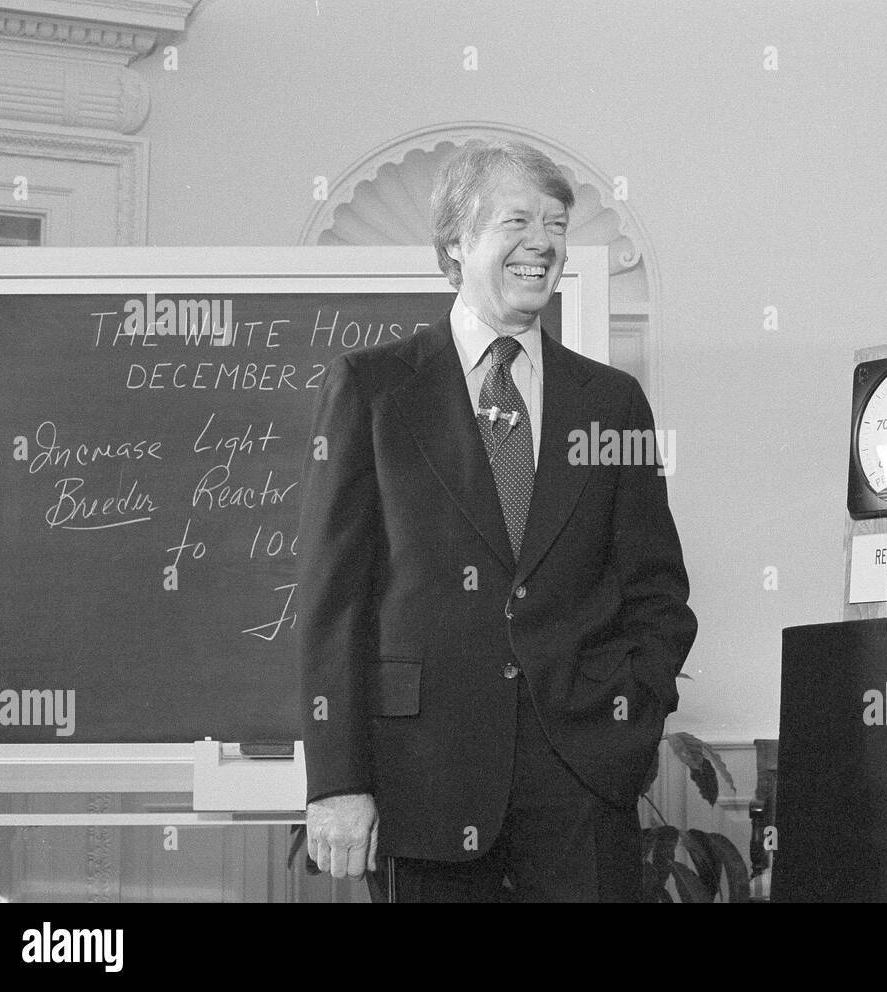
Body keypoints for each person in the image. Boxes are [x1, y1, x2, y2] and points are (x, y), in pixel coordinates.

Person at [297, 139, 697, 902]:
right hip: (423, 782)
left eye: (554, 223)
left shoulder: (612, 404)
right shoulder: (374, 390)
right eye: (518, 219)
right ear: (455, 242)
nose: (542, 242)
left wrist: (631, 723)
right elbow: (331, 604)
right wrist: (338, 782)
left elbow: (658, 591)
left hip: (584, 782)